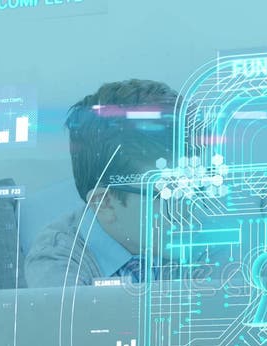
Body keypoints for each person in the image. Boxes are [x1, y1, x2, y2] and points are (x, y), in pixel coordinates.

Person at [25, 79, 179, 288]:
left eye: (198, 187)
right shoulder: (57, 259)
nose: (191, 208)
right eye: (169, 193)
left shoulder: (199, 235)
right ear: (105, 204)